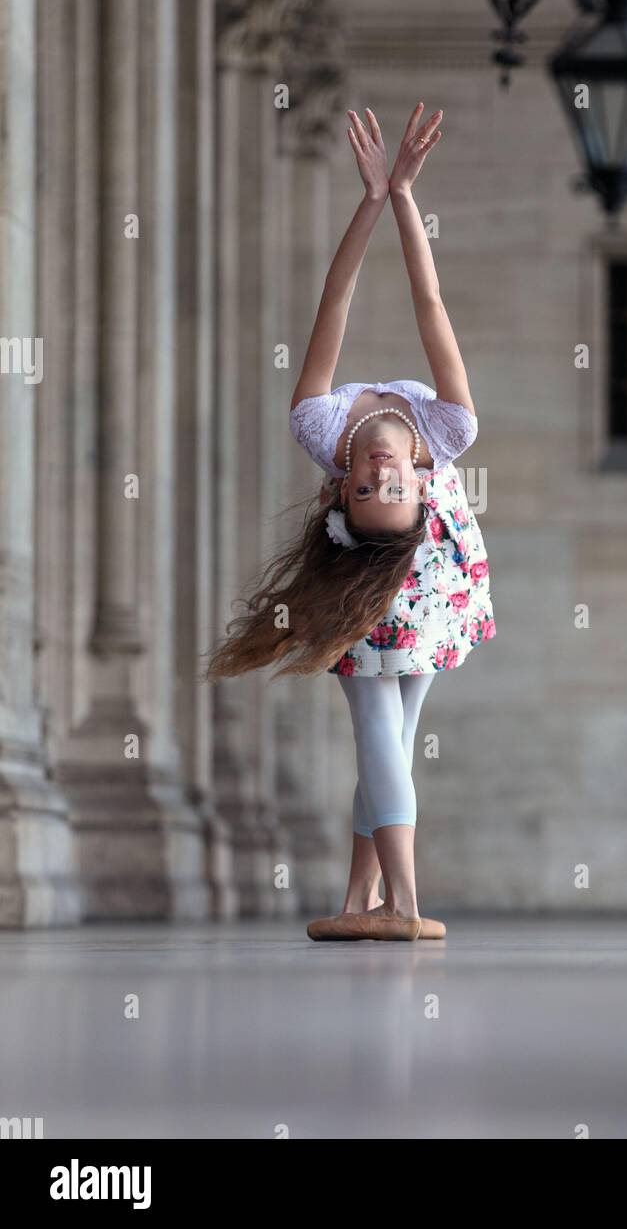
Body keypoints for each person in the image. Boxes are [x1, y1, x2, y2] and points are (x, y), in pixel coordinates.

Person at [206, 103, 495, 941]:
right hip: (410, 572)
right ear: (420, 476)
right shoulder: (445, 431)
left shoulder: (322, 430)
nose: (379, 473)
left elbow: (335, 297)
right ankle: (384, 905)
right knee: (387, 729)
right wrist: (398, 196)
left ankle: (373, 905)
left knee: (388, 731)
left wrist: (375, 200)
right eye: (388, 482)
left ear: (338, 491)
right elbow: (430, 303)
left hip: (428, 577)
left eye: (370, 485)